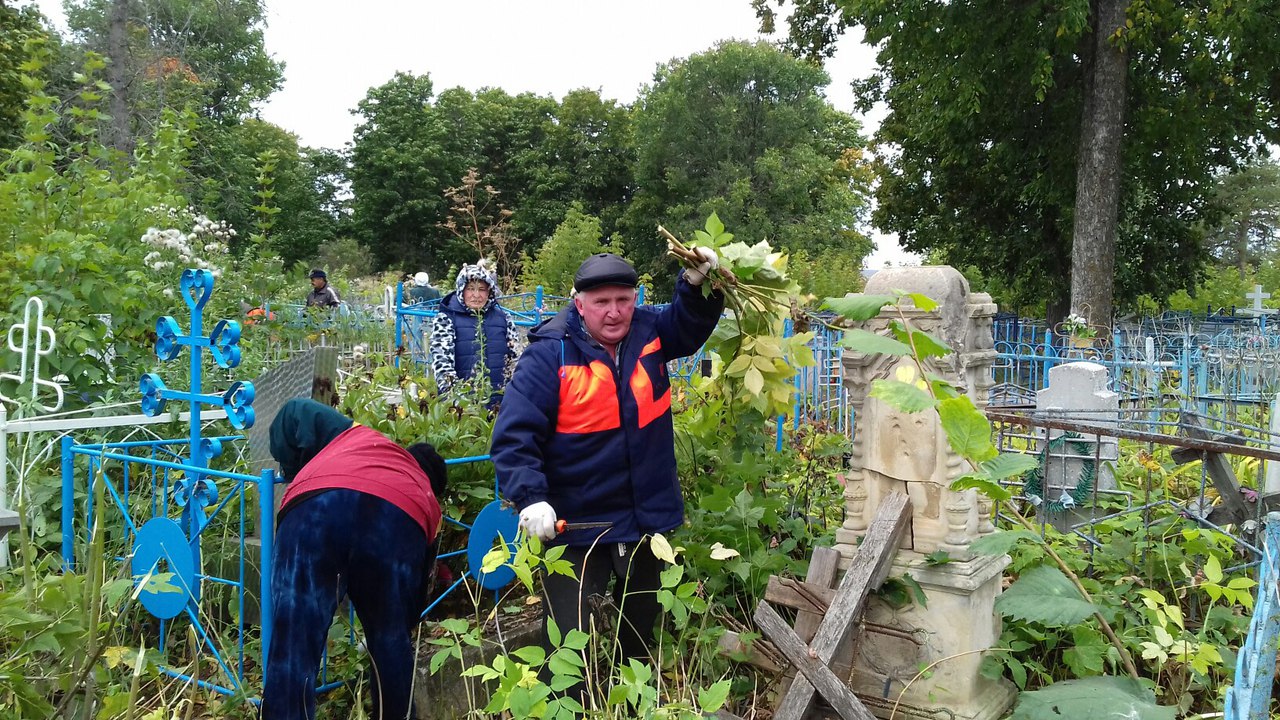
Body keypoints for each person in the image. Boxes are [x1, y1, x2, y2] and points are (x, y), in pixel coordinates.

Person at [490, 249, 722, 666]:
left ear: (636, 299)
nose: (614, 313)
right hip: (578, 523)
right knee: (567, 642)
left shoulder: (650, 331)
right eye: (601, 302)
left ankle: (633, 703)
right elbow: (513, 436)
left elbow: (689, 325)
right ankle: (570, 707)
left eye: (624, 300)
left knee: (641, 631)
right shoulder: (550, 354)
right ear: (579, 303)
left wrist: (695, 285)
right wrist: (530, 497)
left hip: (644, 518)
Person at [261, 398, 447, 720]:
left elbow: (296, 410)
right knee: (391, 646)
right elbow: (414, 596)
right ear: (431, 482)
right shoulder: (422, 493)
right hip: (396, 518)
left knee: (293, 650)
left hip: (313, 505)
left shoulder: (363, 441)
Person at [428, 260, 522, 405]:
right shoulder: (446, 319)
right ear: (461, 289)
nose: (476, 295)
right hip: (463, 407)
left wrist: (514, 396)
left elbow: (516, 360)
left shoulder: (503, 319)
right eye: (471, 288)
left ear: (489, 292)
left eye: (482, 289)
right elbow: (443, 365)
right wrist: (457, 401)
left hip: (501, 404)